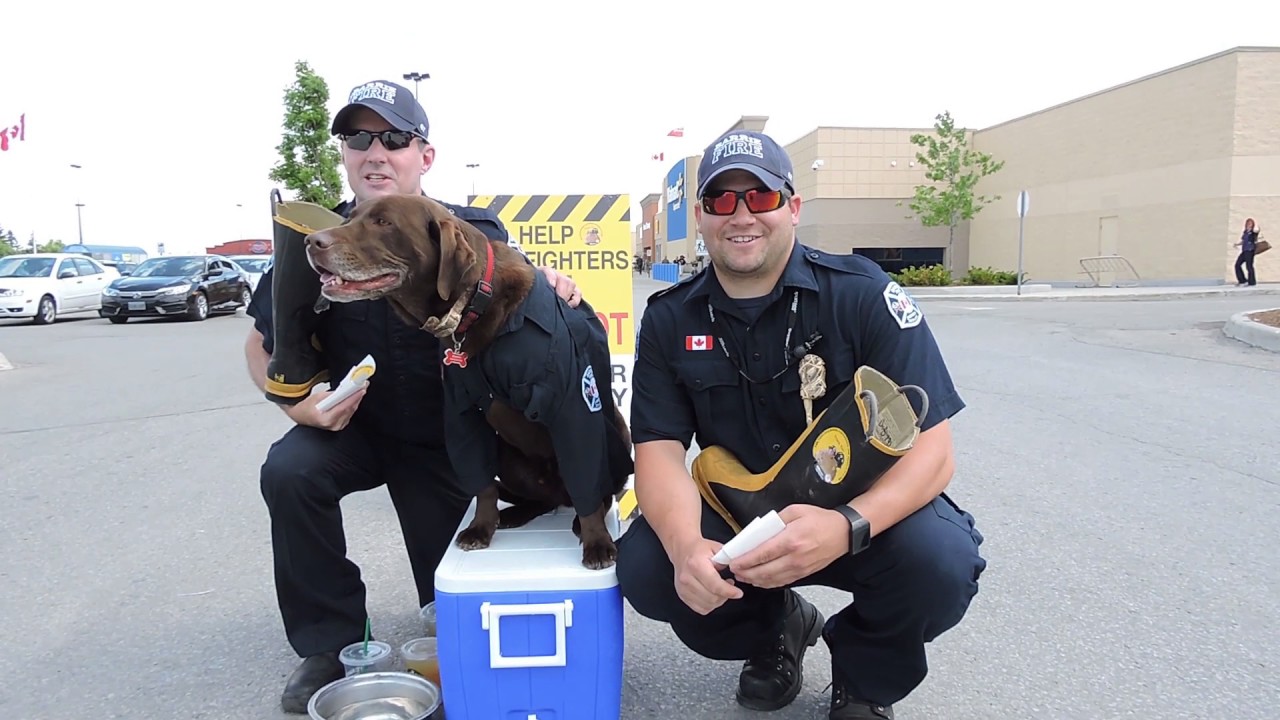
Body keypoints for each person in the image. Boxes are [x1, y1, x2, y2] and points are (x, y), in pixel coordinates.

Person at [616, 129, 986, 720]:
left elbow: (935, 452)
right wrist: (687, 548)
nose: (741, 216)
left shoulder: (861, 296)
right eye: (721, 200)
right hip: (745, 515)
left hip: (861, 512)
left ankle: (865, 681)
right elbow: (658, 452)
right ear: (704, 217)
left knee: (939, 562)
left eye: (759, 198)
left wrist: (847, 527)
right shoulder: (668, 318)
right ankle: (775, 630)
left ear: (792, 206)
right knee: (649, 567)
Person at [244, 79, 581, 714]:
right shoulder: (314, 243)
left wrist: (550, 283)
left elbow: (524, 300)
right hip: (359, 432)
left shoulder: (467, 231)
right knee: (289, 470)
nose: (376, 152)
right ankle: (330, 641)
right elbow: (263, 343)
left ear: (424, 155)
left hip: (449, 440)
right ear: (344, 152)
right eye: (358, 138)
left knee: (452, 608)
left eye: (395, 138)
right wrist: (296, 404)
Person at [1234, 217, 1260, 287]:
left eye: (1250, 223)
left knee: (1249, 266)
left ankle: (1251, 282)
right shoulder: (1245, 232)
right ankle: (1242, 280)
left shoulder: (1253, 232)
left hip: (1250, 250)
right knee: (1237, 265)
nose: (1249, 224)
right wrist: (1237, 244)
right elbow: (1243, 241)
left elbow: (1257, 231)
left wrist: (1255, 228)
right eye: (1248, 223)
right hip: (1244, 250)